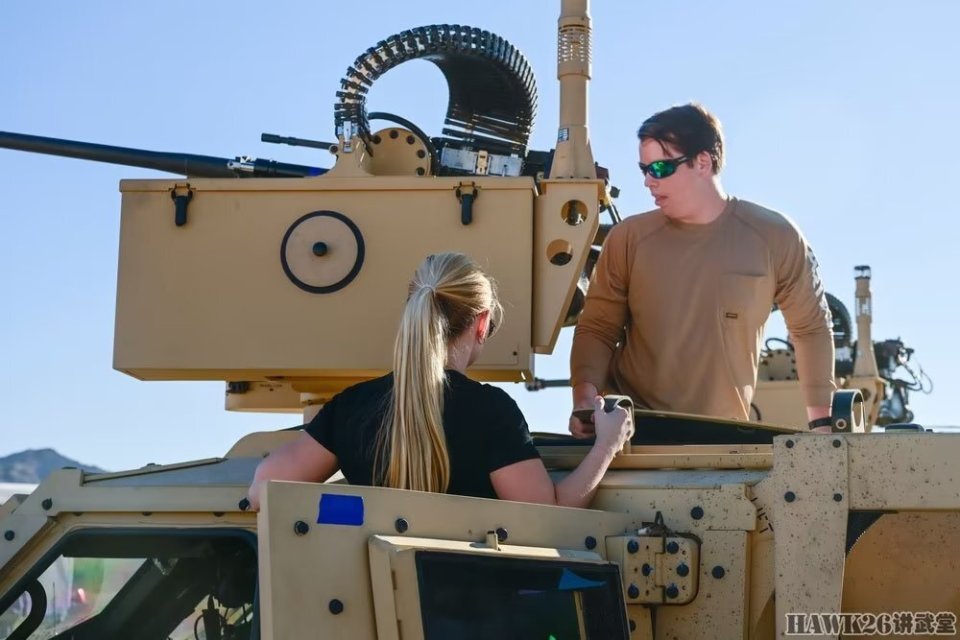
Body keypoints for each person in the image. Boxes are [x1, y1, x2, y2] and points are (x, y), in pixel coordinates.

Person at [247, 252, 631, 510]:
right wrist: (607, 445)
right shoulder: (490, 412)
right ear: (481, 323)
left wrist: (352, 509)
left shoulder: (352, 407)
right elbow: (546, 515)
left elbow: (263, 490)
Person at [570, 103, 835, 436]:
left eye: (662, 168)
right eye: (644, 169)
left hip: (724, 437)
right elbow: (597, 328)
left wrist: (822, 423)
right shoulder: (629, 239)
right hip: (632, 434)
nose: (649, 181)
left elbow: (810, 329)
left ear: (703, 162)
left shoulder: (775, 236)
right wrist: (584, 401)